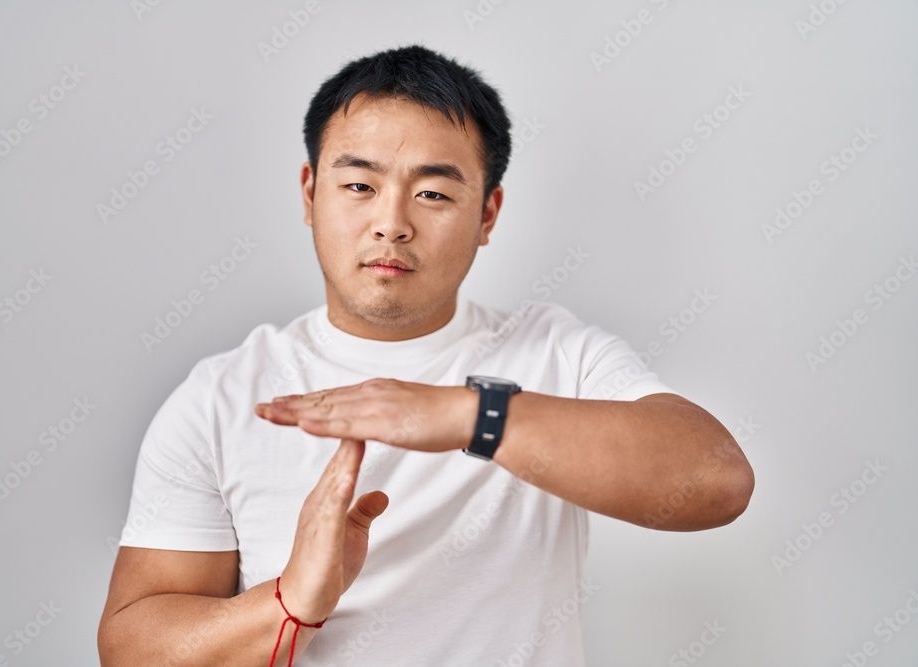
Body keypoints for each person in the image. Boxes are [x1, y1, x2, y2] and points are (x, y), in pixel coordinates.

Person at [97, 44, 754, 666]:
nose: (392, 222)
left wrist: (470, 416)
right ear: (309, 193)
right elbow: (130, 648)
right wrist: (292, 600)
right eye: (359, 185)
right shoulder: (222, 397)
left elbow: (717, 479)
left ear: (488, 215)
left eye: (433, 193)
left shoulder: (556, 353)